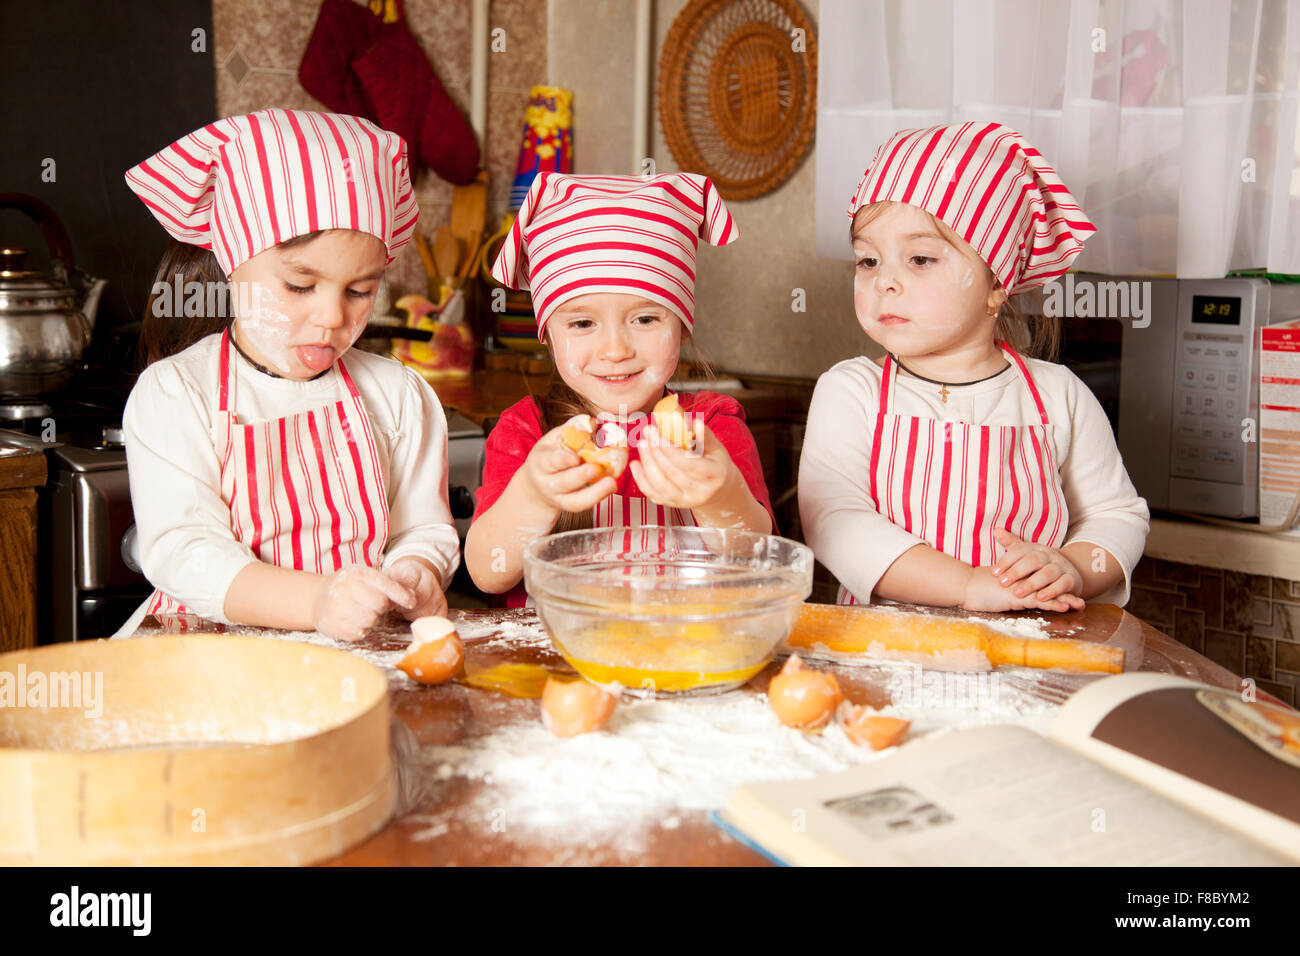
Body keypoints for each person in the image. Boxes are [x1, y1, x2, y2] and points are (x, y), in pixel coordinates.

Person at [113, 108, 459, 640]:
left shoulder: (397, 392)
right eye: (300, 286)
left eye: (360, 290)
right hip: (207, 656)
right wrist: (318, 601)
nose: (332, 318)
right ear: (232, 263)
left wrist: (416, 571)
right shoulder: (178, 393)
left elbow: (423, 528)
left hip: (360, 656)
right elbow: (185, 551)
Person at [799, 122, 1149, 612]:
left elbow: (1118, 514)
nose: (885, 283)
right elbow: (834, 520)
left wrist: (1071, 569)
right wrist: (966, 586)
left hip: (1034, 649)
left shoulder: (1058, 395)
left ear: (995, 283)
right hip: (887, 653)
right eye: (868, 261)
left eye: (920, 259)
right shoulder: (850, 391)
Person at [465, 173, 774, 605]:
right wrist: (534, 495)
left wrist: (722, 496)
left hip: (687, 656)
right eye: (582, 323)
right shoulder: (528, 430)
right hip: (560, 660)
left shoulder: (711, 426)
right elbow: (488, 573)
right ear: (547, 334)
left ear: (682, 327)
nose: (614, 350)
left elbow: (759, 560)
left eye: (645, 319)